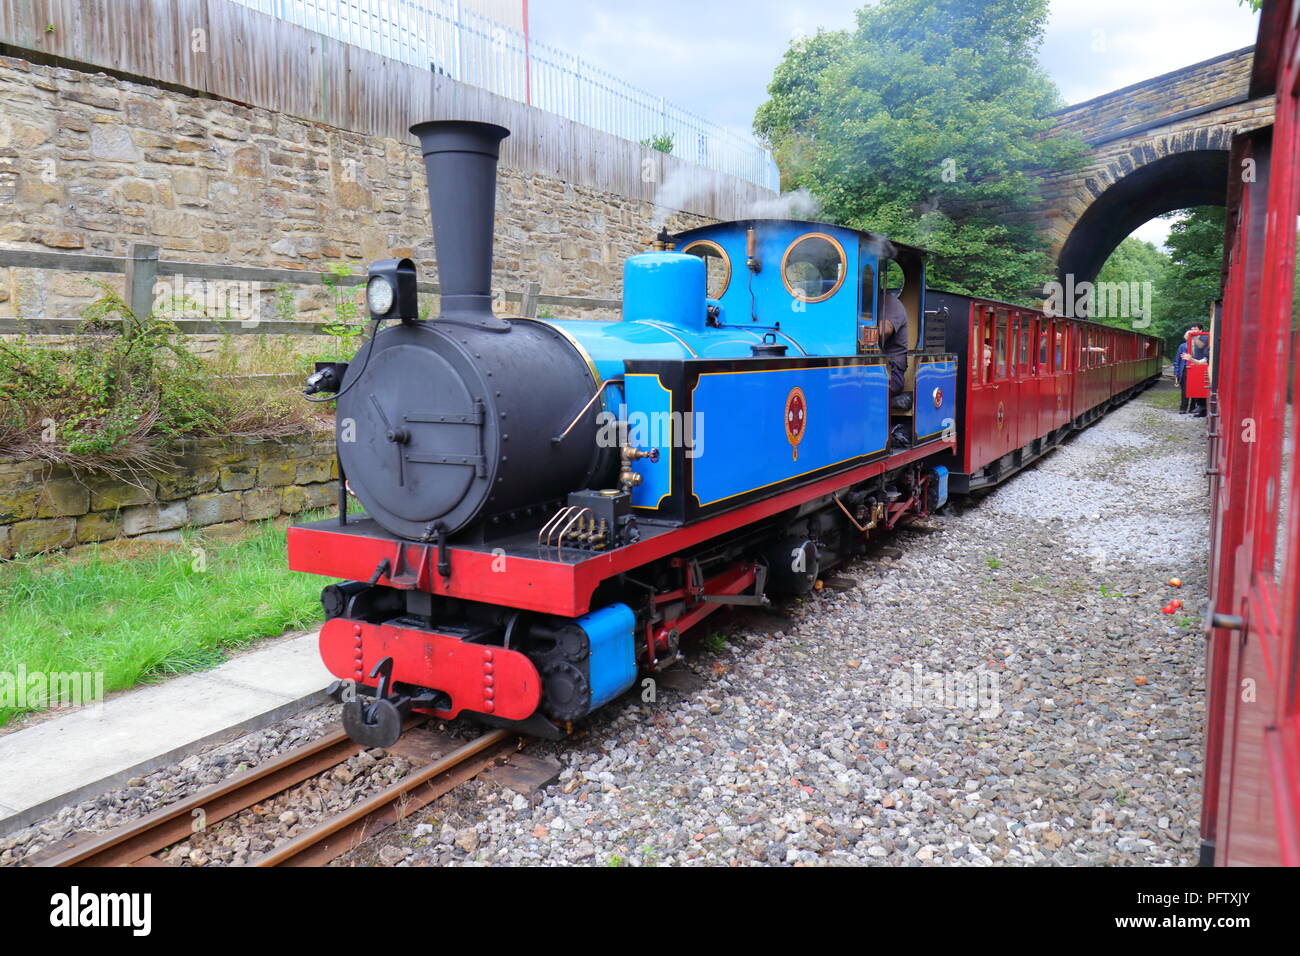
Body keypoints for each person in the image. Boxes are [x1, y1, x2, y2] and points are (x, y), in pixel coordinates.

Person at [1188, 333, 1210, 418]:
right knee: (1197, 387)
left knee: (1201, 388)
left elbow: (1201, 347)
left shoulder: (1204, 338)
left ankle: (1202, 407)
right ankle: (1200, 407)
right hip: (1200, 363)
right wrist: (1191, 359)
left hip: (1202, 366)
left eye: (1195, 329)